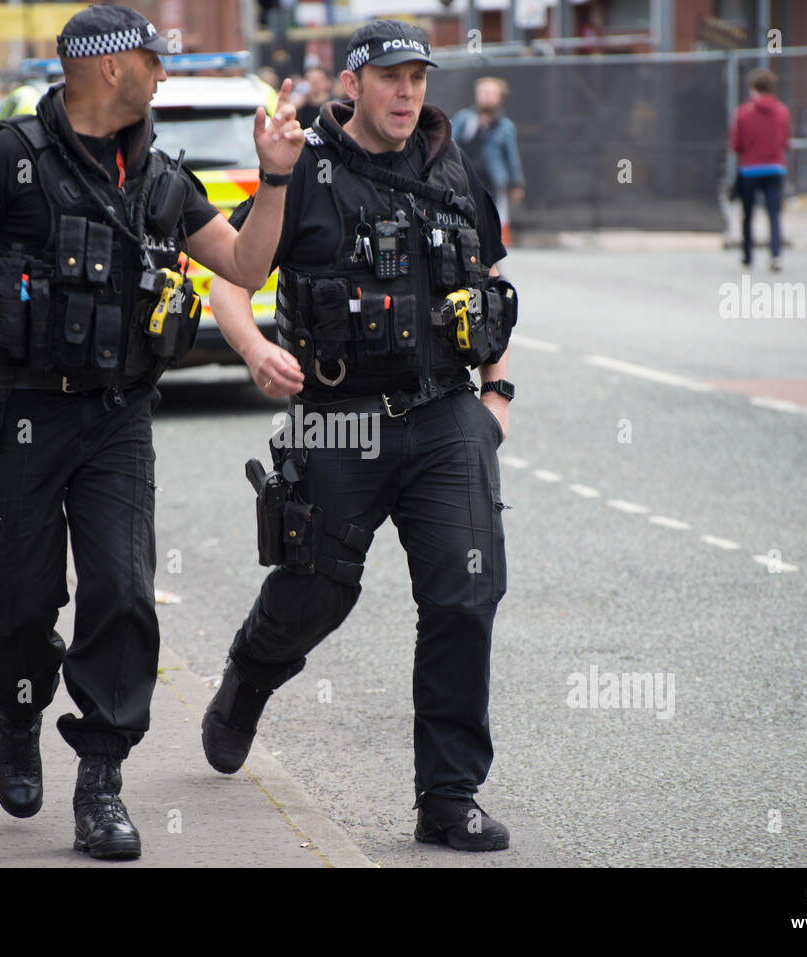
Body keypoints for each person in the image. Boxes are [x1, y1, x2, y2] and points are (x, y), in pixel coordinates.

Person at [0, 2, 303, 861]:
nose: (163, 73)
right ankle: (16, 705)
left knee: (121, 591)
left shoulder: (159, 176)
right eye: (154, 60)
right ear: (111, 66)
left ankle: (101, 780)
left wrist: (273, 180)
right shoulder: (9, 159)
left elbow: (246, 265)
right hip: (17, 417)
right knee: (16, 603)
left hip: (118, 418)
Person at [204, 20, 516, 852]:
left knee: (464, 596)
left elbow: (489, 287)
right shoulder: (300, 170)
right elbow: (233, 273)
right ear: (351, 84)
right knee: (316, 594)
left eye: (417, 76)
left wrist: (499, 395)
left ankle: (448, 796)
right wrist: (254, 345)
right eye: (389, 78)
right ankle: (248, 679)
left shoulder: (455, 166)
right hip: (340, 417)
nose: (407, 92)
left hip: (447, 414)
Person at [728, 68, 790, 271]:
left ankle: (748, 254)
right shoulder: (782, 111)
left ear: (752, 88)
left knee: (748, 213)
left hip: (750, 169)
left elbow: (736, 144)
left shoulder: (743, 112)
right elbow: (785, 140)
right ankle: (776, 255)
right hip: (775, 167)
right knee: (774, 213)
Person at [451, 77, 525, 246]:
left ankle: (492, 256)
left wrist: (517, 183)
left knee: (492, 220)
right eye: (483, 92)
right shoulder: (464, 118)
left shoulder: (505, 126)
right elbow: (451, 143)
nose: (487, 97)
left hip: (492, 181)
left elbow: (511, 156)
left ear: (500, 97)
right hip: (466, 178)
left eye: (492, 93)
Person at [295, 65, 332, 130]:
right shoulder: (300, 106)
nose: (314, 82)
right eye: (309, 79)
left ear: (327, 83)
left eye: (318, 79)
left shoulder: (333, 107)